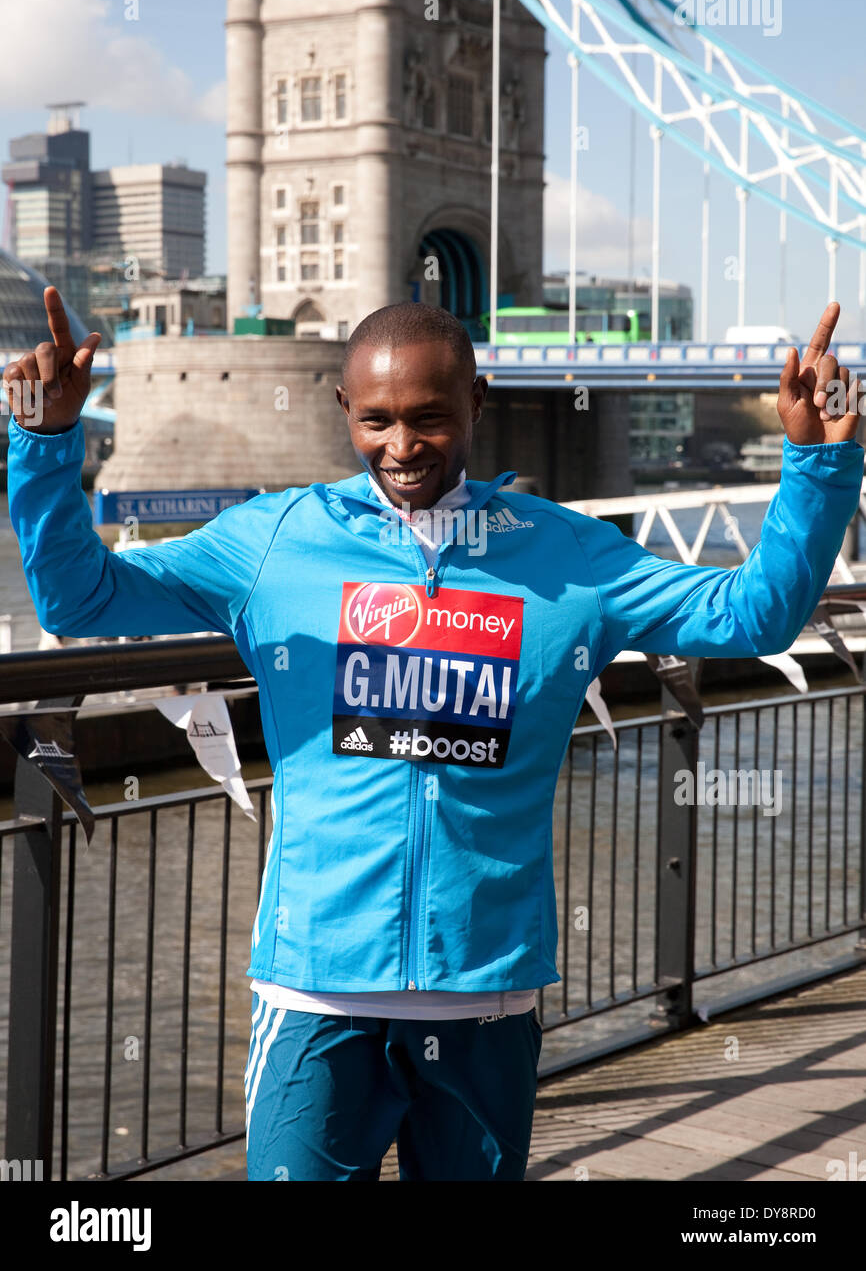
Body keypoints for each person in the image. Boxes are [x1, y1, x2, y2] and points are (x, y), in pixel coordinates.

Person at [3, 287, 862, 1182]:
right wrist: (47, 442)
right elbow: (80, 597)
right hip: (315, 989)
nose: (402, 447)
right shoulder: (276, 541)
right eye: (375, 420)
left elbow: (754, 615)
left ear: (478, 402)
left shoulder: (570, 556)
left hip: (485, 990)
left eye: (431, 418)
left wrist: (814, 462)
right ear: (342, 409)